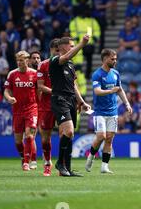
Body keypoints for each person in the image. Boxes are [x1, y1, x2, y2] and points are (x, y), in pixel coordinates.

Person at [50, 36, 92, 177]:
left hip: (71, 100)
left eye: (74, 45)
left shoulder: (71, 65)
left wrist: (81, 101)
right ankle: (59, 163)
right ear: (62, 48)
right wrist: (81, 44)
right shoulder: (55, 60)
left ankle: (66, 169)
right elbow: (66, 56)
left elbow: (74, 85)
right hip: (59, 99)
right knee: (68, 132)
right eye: (71, 46)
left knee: (70, 135)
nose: (73, 48)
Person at [85, 49, 132, 174]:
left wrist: (127, 104)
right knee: (101, 136)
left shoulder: (115, 73)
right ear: (105, 59)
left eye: (115, 59)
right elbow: (97, 91)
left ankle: (104, 166)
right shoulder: (97, 74)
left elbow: (120, 90)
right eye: (112, 59)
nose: (115, 61)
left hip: (113, 112)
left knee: (109, 138)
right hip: (100, 111)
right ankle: (91, 156)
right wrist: (111, 91)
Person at [3, 51, 38, 171]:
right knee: (18, 141)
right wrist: (9, 98)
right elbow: (6, 91)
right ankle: (24, 157)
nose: (19, 62)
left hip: (32, 109)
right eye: (18, 60)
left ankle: (29, 161)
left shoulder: (34, 74)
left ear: (27, 61)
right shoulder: (12, 74)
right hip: (17, 111)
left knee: (29, 135)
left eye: (22, 60)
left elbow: (40, 90)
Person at [36, 39, 59, 176]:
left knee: (66, 134)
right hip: (47, 106)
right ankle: (47, 162)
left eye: (60, 50)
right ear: (51, 50)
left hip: (62, 104)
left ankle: (63, 165)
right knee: (45, 138)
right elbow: (40, 86)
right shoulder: (43, 65)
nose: (58, 52)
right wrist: (54, 91)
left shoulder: (66, 63)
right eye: (56, 50)